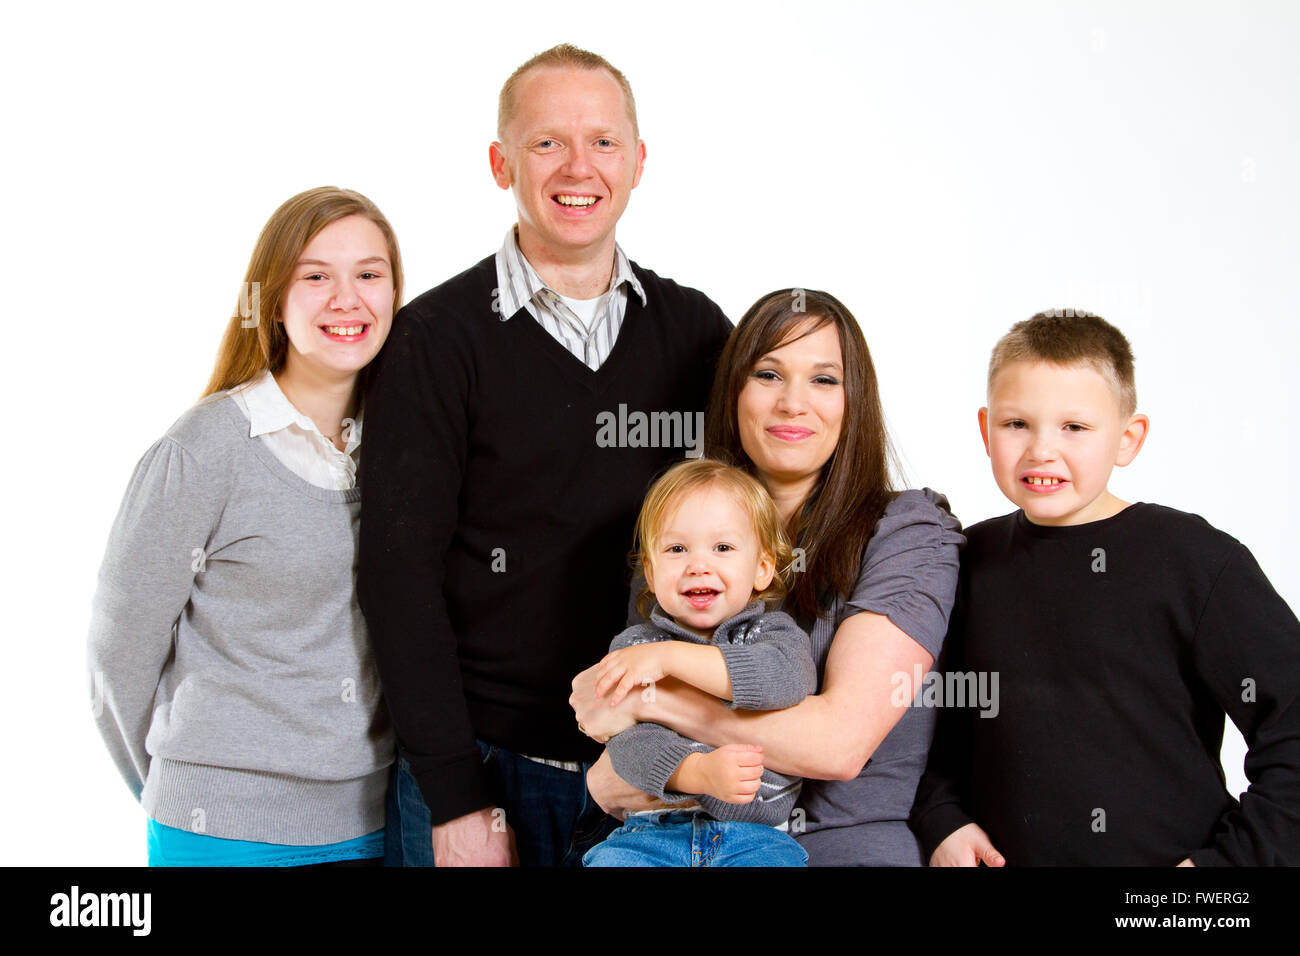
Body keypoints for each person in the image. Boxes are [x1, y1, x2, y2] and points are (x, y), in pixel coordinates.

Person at [358, 44, 733, 867]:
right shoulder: (435, 341)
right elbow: (397, 577)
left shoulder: (697, 333)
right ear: (501, 163)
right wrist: (457, 796)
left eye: (603, 142)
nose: (579, 167)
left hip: (655, 768)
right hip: (484, 766)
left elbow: (772, 499)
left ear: (638, 163)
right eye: (547, 143)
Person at [572, 288, 965, 866]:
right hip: (667, 844)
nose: (793, 403)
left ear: (855, 401)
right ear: (735, 391)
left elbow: (838, 744)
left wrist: (657, 696)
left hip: (840, 853)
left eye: (824, 379)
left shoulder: (908, 532)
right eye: (768, 374)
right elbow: (609, 753)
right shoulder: (681, 531)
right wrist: (611, 766)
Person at [909, 310, 1300, 866]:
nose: (1042, 450)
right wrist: (942, 819)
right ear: (984, 429)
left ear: (1128, 438)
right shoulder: (964, 561)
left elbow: (1292, 720)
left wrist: (1227, 866)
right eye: (1017, 424)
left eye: (1074, 427)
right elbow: (930, 725)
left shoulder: (1194, 559)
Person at [88, 186, 403, 866]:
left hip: (378, 821)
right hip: (220, 832)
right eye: (315, 276)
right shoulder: (203, 451)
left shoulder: (410, 447)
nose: (346, 299)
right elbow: (118, 655)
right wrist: (190, 780)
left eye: (368, 275)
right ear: (273, 298)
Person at [582, 459, 816, 866]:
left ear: (762, 568)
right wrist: (697, 773)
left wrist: (672, 658)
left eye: (723, 548)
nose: (698, 565)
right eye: (676, 549)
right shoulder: (636, 646)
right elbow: (628, 743)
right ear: (651, 575)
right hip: (652, 833)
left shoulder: (773, 635)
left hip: (756, 840)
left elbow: (784, 681)